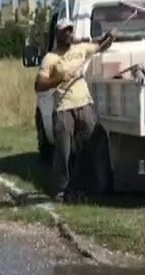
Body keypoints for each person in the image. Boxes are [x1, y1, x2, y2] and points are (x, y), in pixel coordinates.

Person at [34, 18, 116, 202]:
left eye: (70, 30)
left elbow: (101, 46)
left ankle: (88, 185)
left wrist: (110, 36)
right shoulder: (50, 59)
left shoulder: (81, 49)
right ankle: (61, 189)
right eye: (65, 31)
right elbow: (39, 85)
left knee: (90, 144)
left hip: (85, 104)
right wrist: (57, 80)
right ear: (58, 34)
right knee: (63, 149)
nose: (69, 34)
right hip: (64, 107)